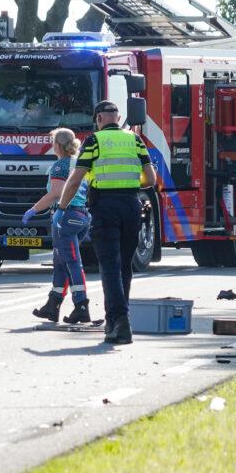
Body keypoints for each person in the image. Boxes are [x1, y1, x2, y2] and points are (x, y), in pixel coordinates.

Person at [58, 100, 156, 345]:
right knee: (124, 267)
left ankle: (119, 321)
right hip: (132, 206)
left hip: (105, 208)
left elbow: (74, 179)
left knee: (109, 267)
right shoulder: (135, 140)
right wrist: (130, 184)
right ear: (118, 116)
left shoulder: (94, 141)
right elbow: (151, 179)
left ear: (99, 119)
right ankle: (116, 321)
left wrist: (61, 207)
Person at [24, 128, 91, 324]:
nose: (51, 146)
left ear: (58, 145)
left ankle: (81, 306)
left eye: (53, 142)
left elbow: (55, 193)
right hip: (82, 216)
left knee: (71, 261)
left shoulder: (60, 166)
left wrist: (34, 210)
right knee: (61, 261)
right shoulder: (79, 164)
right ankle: (52, 305)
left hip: (65, 217)